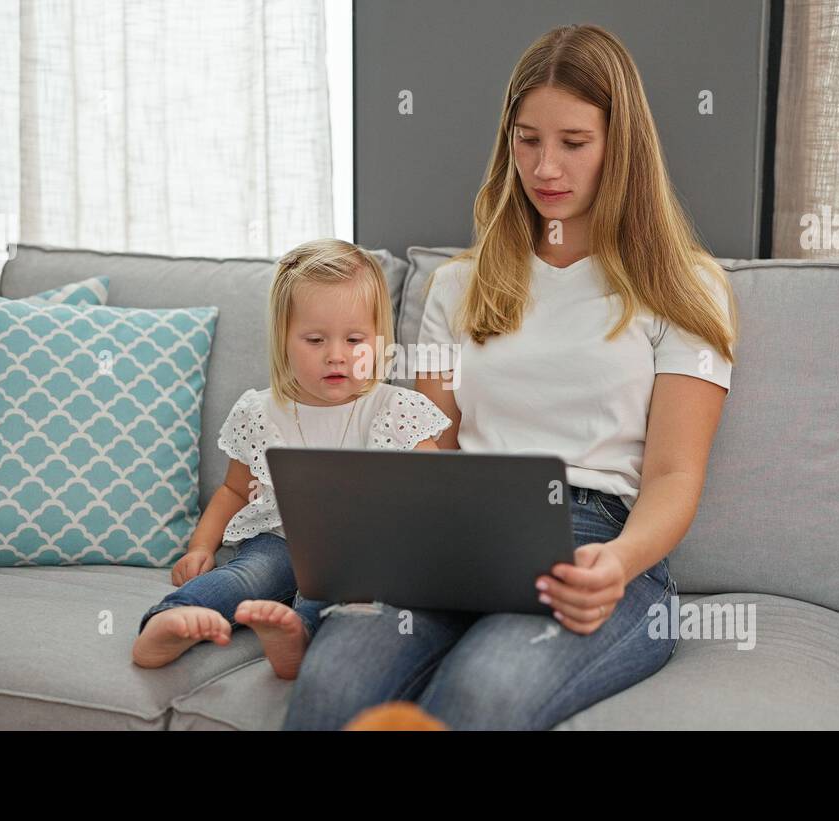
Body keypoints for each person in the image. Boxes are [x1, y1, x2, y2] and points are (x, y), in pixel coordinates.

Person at [282, 23, 739, 730]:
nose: (545, 168)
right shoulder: (455, 287)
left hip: (599, 544)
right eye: (528, 140)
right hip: (458, 536)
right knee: (332, 682)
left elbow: (676, 475)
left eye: (573, 143)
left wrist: (615, 563)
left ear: (621, 147)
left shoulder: (684, 288)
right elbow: (431, 446)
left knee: (483, 689)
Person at [131, 238, 452, 678]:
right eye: (315, 339)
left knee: (337, 596)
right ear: (283, 339)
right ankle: (172, 620)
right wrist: (201, 546)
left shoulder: (395, 410)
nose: (336, 354)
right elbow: (232, 490)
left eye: (355, 339)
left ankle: (295, 637)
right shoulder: (260, 413)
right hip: (277, 540)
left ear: (379, 341)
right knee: (247, 576)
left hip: (357, 553)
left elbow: (435, 493)